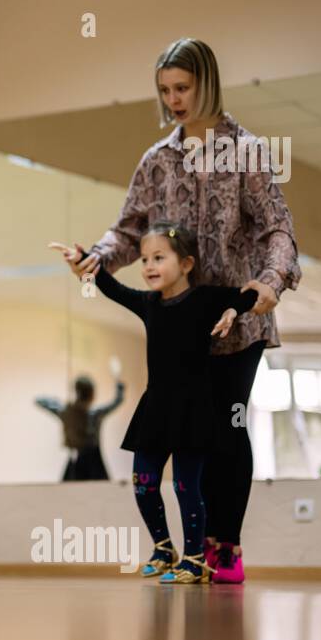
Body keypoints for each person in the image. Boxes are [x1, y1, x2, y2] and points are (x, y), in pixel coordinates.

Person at [66, 38, 301, 583]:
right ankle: (189, 550)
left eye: (183, 88)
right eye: (165, 90)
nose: (173, 99)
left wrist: (271, 281)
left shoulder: (246, 151)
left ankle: (226, 547)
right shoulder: (156, 161)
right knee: (190, 434)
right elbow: (128, 230)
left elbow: (278, 229)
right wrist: (96, 257)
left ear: (207, 84)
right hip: (181, 321)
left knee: (227, 424)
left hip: (239, 316)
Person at [51, 221, 258, 583]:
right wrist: (84, 259)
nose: (148, 266)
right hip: (156, 410)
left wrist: (232, 311)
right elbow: (111, 287)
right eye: (145, 259)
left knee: (185, 486)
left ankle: (194, 557)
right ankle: (164, 548)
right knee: (143, 482)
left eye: (159, 258)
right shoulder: (148, 304)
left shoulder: (205, 299)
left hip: (193, 411)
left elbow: (247, 295)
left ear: (187, 265)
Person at [34, 375, 125, 481]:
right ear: (91, 394)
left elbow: (40, 401)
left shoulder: (66, 411)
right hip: (93, 464)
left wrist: (60, 403)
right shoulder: (93, 414)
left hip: (77, 462)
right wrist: (120, 388)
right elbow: (117, 401)